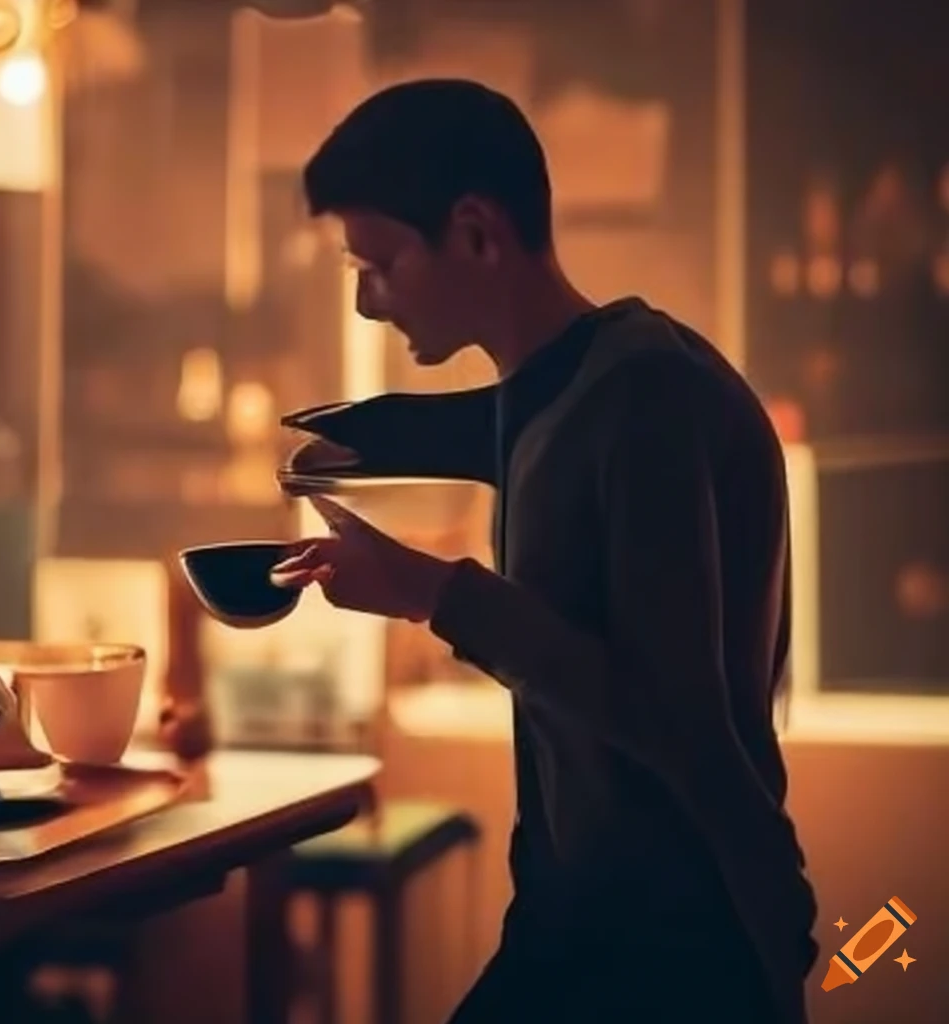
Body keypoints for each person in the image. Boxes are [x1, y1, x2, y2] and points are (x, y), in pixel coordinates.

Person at [273, 79, 819, 1023]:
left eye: (383, 265)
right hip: (574, 925)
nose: (367, 305)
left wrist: (427, 588)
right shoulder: (562, 390)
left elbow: (665, 709)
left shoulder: (647, 396)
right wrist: (363, 437)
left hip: (672, 955)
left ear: (479, 234)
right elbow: (504, 427)